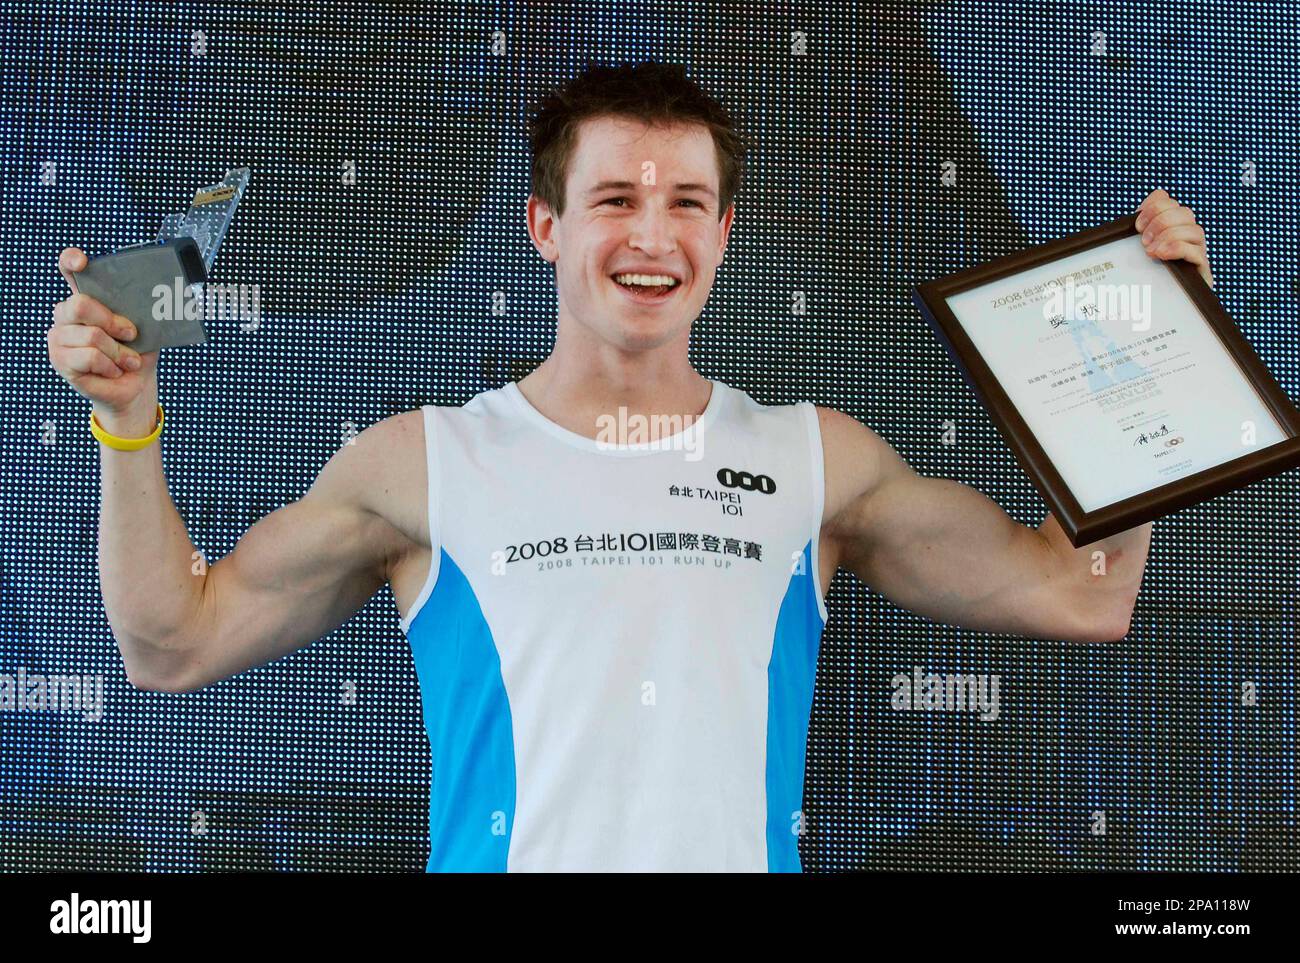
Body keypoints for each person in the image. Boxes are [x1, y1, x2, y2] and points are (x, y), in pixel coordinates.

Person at [46, 61, 1213, 872]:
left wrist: (1157, 346)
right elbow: (171, 643)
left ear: (724, 233)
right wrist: (128, 421)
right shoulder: (423, 464)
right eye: (613, 198)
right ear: (544, 226)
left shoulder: (816, 459)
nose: (652, 236)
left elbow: (1085, 590)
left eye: (686, 203)